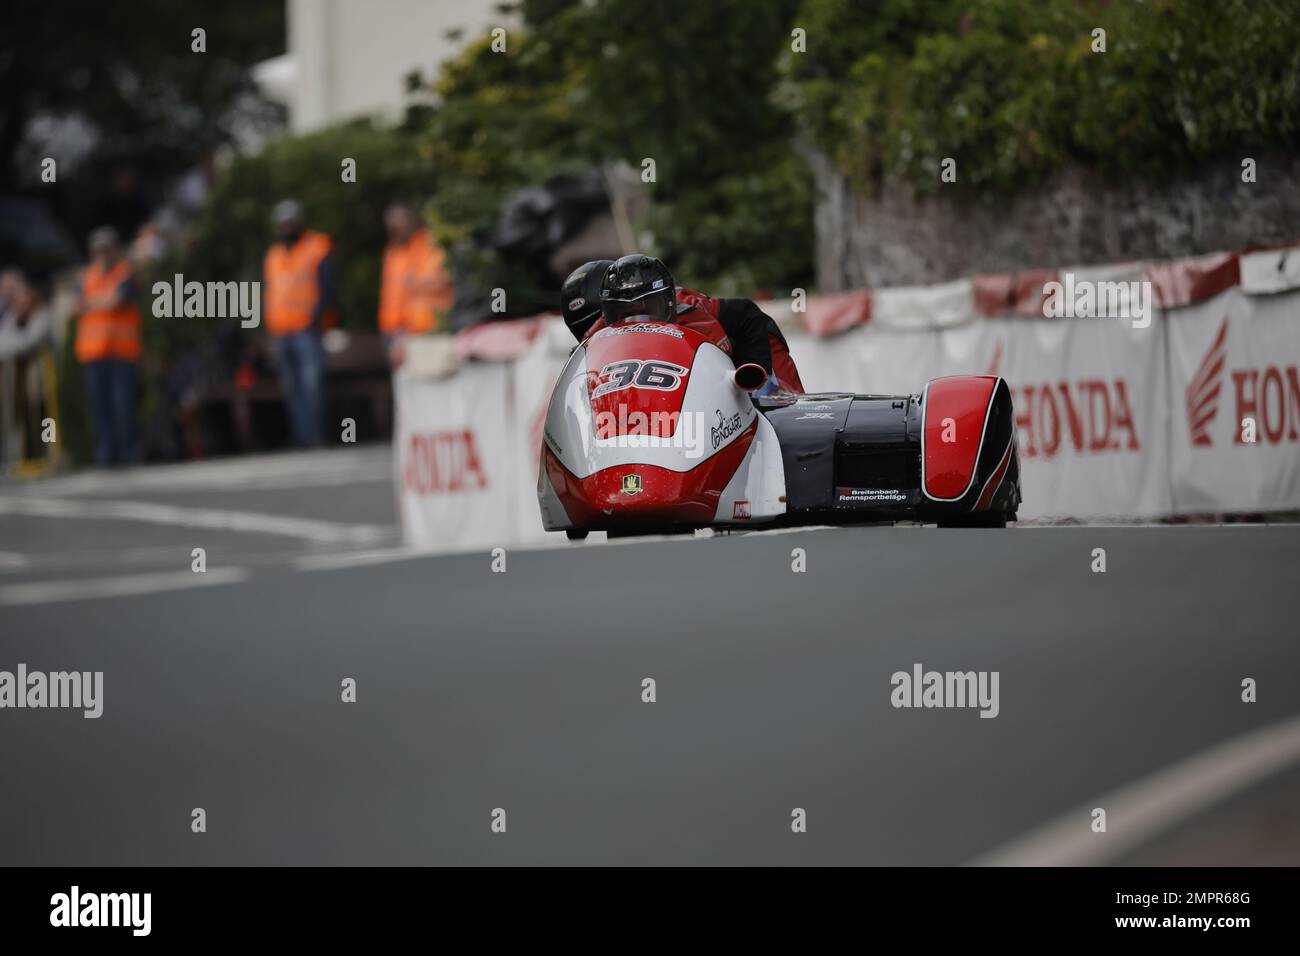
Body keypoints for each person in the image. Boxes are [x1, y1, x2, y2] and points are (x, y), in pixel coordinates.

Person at [561, 255, 804, 393]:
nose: (637, 322)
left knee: (785, 420)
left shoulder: (687, 306)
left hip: (750, 353)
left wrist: (758, 385)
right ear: (608, 312)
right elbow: (579, 359)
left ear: (667, 302)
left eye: (648, 309)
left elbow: (747, 313)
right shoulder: (599, 334)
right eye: (623, 314)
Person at [262, 199, 335, 447]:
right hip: (281, 330)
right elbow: (271, 292)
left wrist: (317, 317)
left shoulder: (317, 246)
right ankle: (302, 437)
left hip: (307, 328)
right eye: (282, 223)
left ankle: (317, 436)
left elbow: (328, 287)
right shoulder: (274, 254)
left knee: (312, 385)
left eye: (290, 222)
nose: (285, 227)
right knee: (292, 388)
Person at [76, 227, 142, 466]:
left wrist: (94, 303)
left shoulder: (125, 274)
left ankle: (130, 456)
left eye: (107, 249)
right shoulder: (87, 277)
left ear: (115, 250)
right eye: (98, 249)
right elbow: (79, 304)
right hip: (93, 353)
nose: (102, 254)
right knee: (100, 410)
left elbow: (118, 301)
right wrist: (102, 301)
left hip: (120, 352)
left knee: (123, 407)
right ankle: (105, 458)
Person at [377, 203, 454, 364]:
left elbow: (445, 279)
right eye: (392, 224)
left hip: (424, 327)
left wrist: (416, 284)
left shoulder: (429, 245)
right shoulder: (392, 251)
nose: (395, 228)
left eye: (400, 222)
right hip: (393, 328)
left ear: (413, 221)